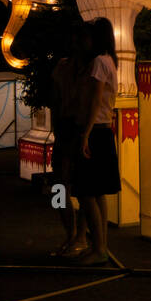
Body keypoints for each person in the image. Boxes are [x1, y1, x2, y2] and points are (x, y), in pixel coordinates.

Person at [73, 18, 120, 266]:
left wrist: (85, 133)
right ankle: (100, 245)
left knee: (87, 192)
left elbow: (94, 101)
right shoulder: (109, 61)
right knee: (98, 192)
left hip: (95, 131)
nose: (83, 41)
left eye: (87, 37)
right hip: (103, 130)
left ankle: (99, 248)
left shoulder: (99, 63)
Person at [49, 24, 92, 257]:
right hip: (67, 128)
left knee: (80, 186)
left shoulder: (87, 69)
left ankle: (79, 236)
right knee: (61, 184)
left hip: (76, 129)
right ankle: (72, 234)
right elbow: (56, 99)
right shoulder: (64, 68)